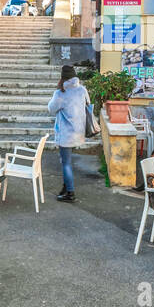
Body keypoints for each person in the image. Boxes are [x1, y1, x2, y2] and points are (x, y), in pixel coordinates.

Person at [47, 64, 92, 203]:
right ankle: (65, 187)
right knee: (65, 161)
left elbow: (51, 109)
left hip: (66, 134)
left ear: (62, 77)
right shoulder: (82, 89)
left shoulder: (61, 93)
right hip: (78, 131)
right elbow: (88, 104)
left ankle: (70, 193)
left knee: (66, 163)